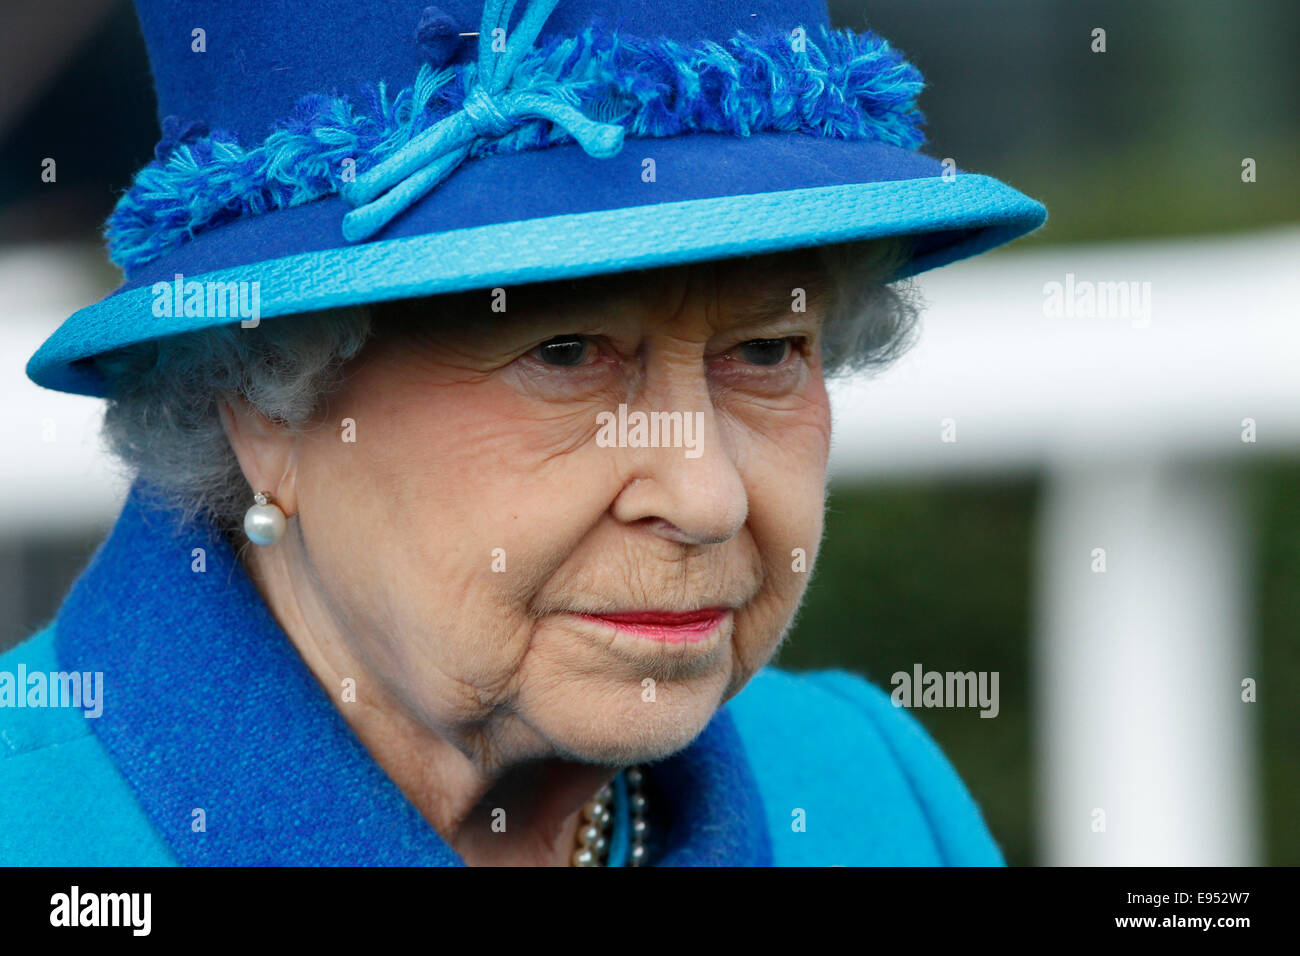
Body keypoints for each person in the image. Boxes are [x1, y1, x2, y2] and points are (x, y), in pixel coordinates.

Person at [3, 0, 1045, 866]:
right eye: (564, 353)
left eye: (768, 350)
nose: (706, 497)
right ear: (262, 401)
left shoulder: (864, 795)